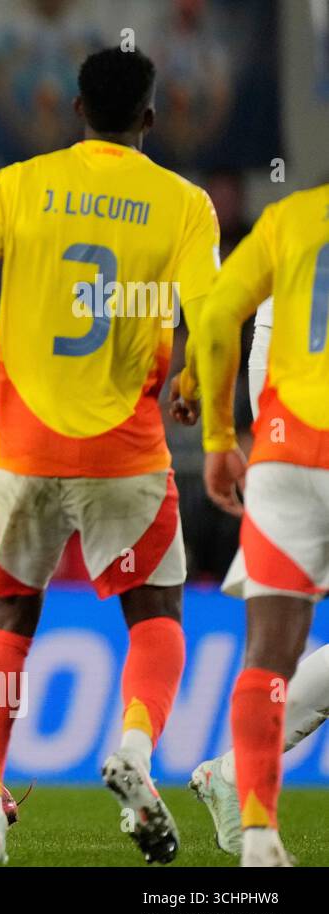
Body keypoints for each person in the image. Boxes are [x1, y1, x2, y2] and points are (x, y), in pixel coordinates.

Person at [0, 48, 219, 864]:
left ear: (77, 107)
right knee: (155, 614)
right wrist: (194, 380)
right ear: (149, 119)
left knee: (9, 615)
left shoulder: (19, 184)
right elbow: (214, 316)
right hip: (127, 451)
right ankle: (132, 746)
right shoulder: (184, 203)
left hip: (23, 448)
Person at [191, 181, 329, 866]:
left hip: (281, 452)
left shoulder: (289, 223)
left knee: (267, 651)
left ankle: (255, 832)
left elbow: (222, 318)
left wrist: (225, 440)